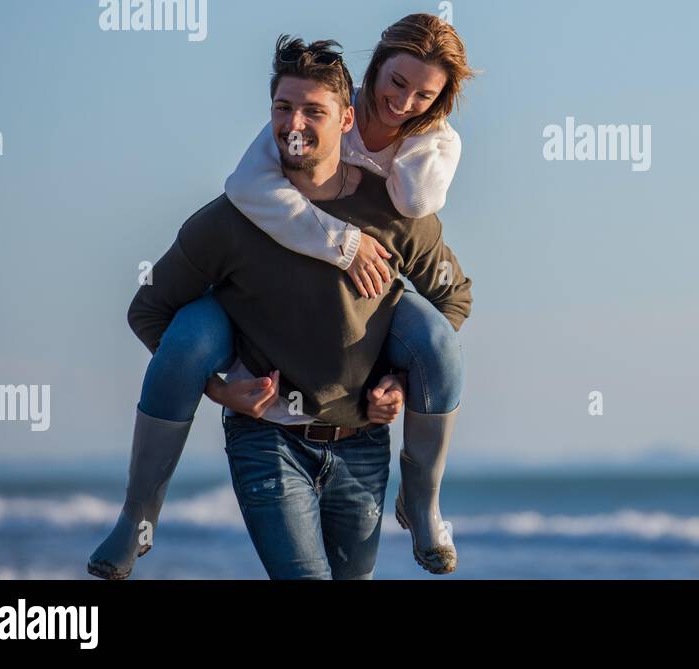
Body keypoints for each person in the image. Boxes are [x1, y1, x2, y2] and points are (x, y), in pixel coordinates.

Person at [87, 30, 473, 579]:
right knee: (193, 328)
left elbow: (453, 296)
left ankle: (423, 504)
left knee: (435, 334)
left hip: (361, 441)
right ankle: (137, 516)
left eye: (313, 111)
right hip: (268, 438)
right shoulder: (231, 217)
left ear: (346, 119)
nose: (294, 125)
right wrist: (220, 390)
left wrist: (401, 382)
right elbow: (147, 310)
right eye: (283, 108)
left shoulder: (391, 208)